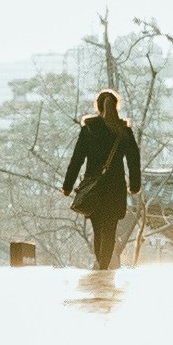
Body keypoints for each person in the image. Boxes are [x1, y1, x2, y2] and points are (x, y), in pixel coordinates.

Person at [61, 88, 142, 271]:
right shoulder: (123, 131)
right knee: (110, 229)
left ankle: (102, 265)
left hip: (94, 189)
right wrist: (135, 185)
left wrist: (67, 186)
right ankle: (104, 265)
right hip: (115, 188)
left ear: (98, 106)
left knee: (97, 229)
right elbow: (133, 159)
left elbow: (77, 159)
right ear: (116, 106)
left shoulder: (89, 129)